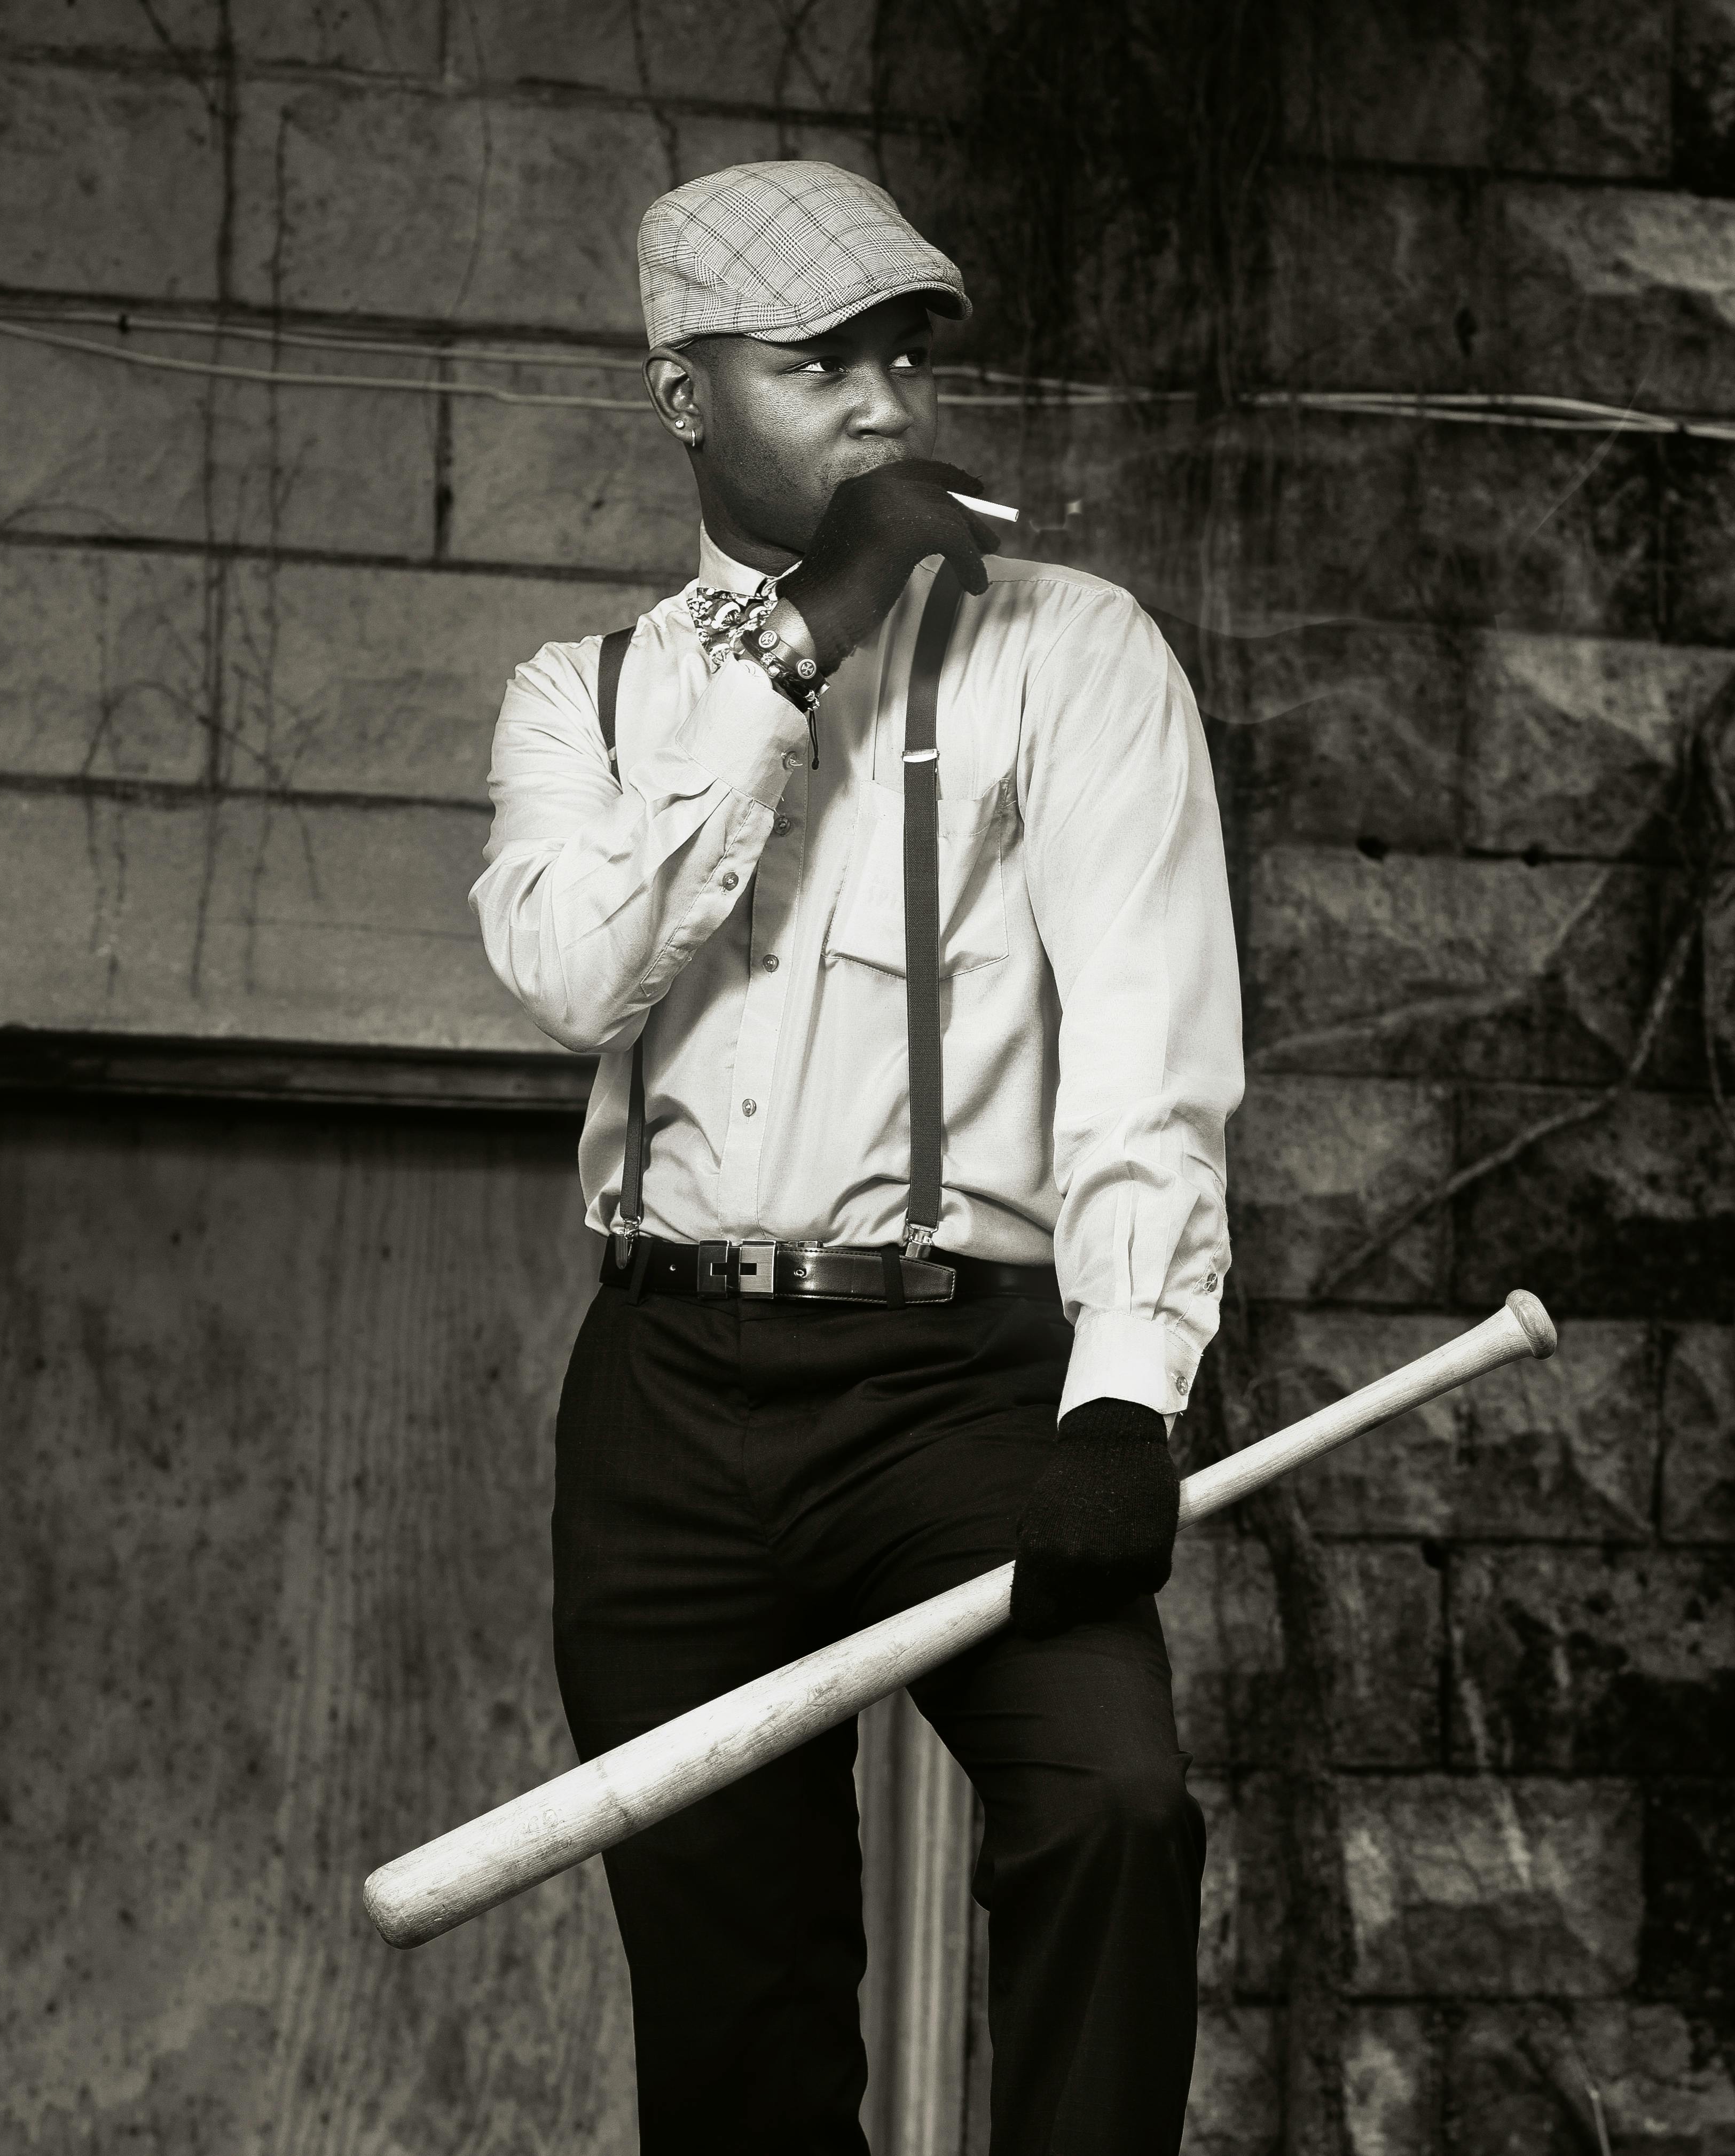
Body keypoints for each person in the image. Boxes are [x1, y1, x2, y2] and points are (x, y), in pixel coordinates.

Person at [470, 160, 1243, 2156]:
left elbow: (1149, 1056)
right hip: (664, 1399)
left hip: (961, 1388)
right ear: (682, 392)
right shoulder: (592, 698)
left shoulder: (1071, 654)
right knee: (737, 2017)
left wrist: (1124, 1395)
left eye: (902, 357)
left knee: (1114, 1814)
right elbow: (573, 973)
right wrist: (809, 633)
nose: (883, 407)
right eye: (817, 366)